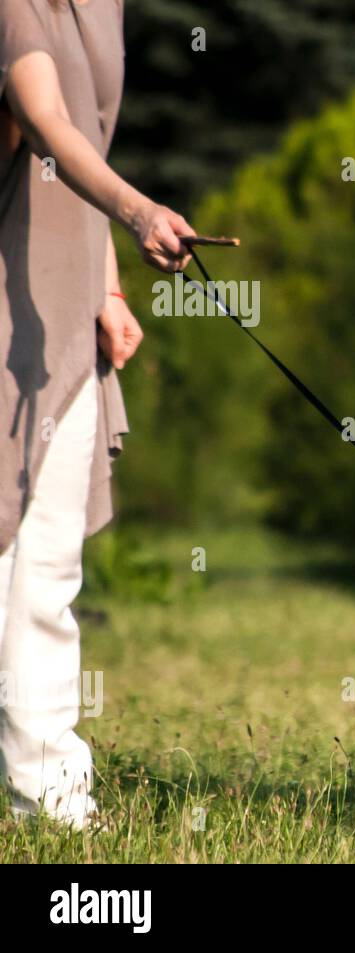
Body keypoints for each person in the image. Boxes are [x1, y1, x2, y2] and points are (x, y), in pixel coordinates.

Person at [1, 0, 196, 828]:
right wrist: (139, 210)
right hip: (11, 295)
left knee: (46, 567)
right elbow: (43, 119)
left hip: (65, 287)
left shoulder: (103, 5)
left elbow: (82, 142)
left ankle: (51, 796)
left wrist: (106, 283)